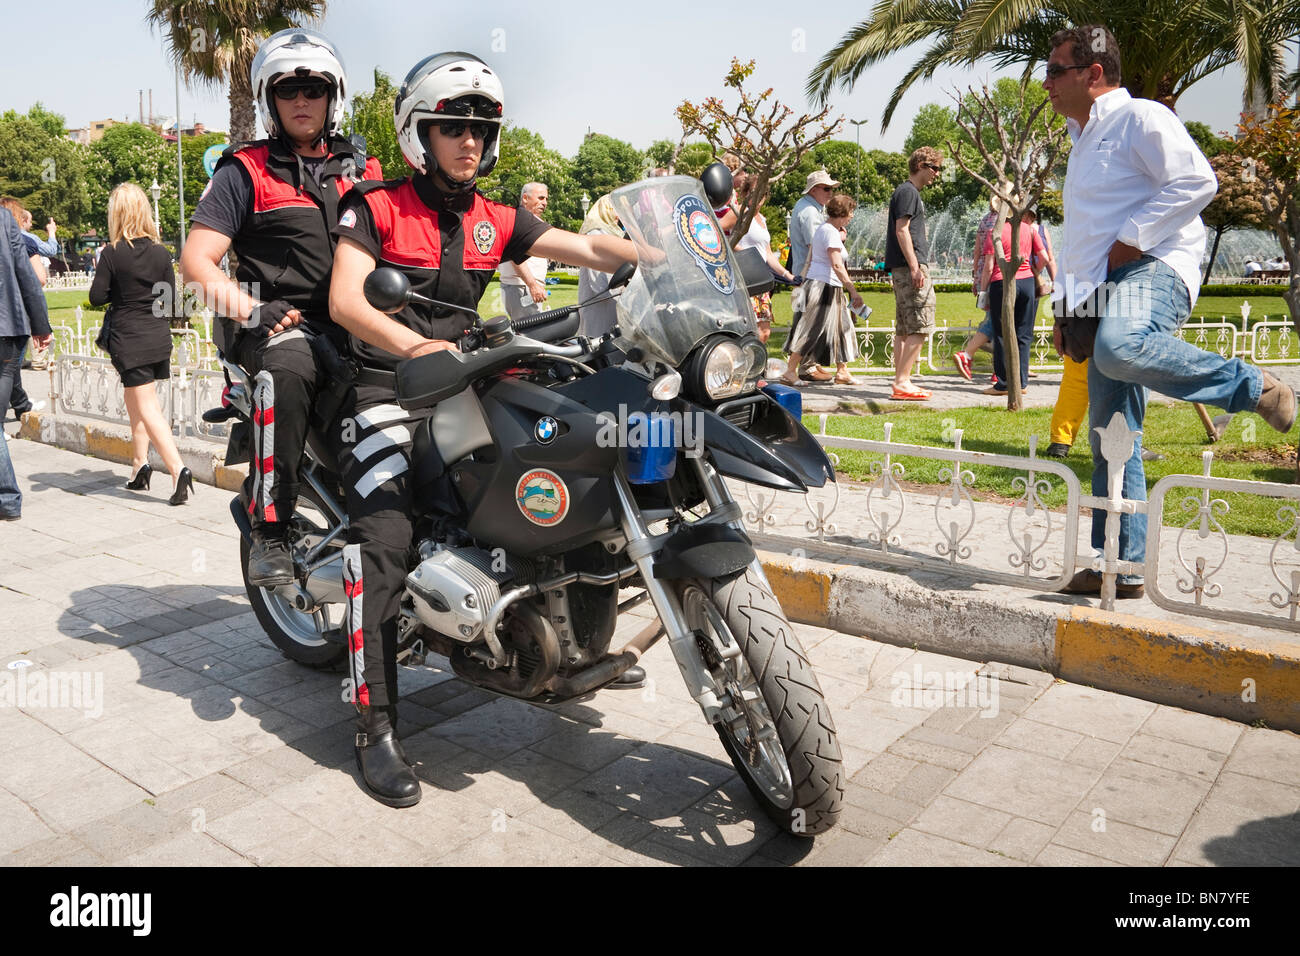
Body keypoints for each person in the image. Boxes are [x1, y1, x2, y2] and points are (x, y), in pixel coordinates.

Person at [328, 51, 639, 808]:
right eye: (451, 126)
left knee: (574, 456)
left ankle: (563, 629)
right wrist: (415, 346)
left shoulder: (494, 217)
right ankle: (374, 726)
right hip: (382, 389)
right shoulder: (374, 206)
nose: (468, 140)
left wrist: (668, 253)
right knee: (386, 543)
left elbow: (589, 247)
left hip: (468, 384)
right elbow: (346, 300)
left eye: (479, 127)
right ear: (417, 133)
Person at [1044, 25, 1297, 599]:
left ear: (1094, 73)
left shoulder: (1143, 118)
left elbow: (1196, 180)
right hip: (1101, 286)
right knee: (1113, 434)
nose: (1047, 82)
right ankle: (1122, 565)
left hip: (1154, 268)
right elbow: (1081, 233)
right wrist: (1065, 308)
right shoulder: (1080, 136)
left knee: (1121, 345)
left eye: (1057, 70)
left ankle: (1254, 386)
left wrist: (1134, 237)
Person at [182, 28, 382, 581]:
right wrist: (251, 308)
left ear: (332, 96)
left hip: (354, 320)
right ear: (269, 99)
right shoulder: (242, 171)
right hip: (275, 325)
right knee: (290, 365)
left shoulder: (363, 169)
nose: (301, 100)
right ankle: (270, 526)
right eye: (288, 90)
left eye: (313, 88)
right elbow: (197, 264)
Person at [89, 184, 191, 504]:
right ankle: (139, 465)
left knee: (146, 405)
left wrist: (115, 288)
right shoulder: (161, 253)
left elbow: (96, 297)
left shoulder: (111, 253)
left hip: (129, 338)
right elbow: (171, 301)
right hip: (157, 337)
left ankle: (177, 469)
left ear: (116, 215)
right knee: (136, 398)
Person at [0, 206, 51, 521]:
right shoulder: (5, 219)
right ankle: (8, 499)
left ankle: (8, 498)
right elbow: (25, 273)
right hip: (9, 330)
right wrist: (41, 324)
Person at [781, 193, 864, 386]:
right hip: (823, 286)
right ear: (842, 213)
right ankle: (790, 371)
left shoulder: (827, 230)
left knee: (841, 327)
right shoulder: (829, 232)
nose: (852, 216)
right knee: (811, 328)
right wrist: (852, 290)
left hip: (827, 285)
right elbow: (837, 265)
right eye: (850, 211)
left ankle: (842, 371)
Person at [886, 147, 943, 400]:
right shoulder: (908, 192)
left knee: (905, 328)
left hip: (903, 268)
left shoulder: (907, 192)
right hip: (910, 267)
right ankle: (902, 381)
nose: (937, 174)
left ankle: (901, 380)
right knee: (920, 323)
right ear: (920, 165)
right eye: (934, 168)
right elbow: (902, 230)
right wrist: (915, 267)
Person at [977, 195, 1046, 397]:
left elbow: (989, 267)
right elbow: (1044, 257)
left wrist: (983, 293)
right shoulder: (1029, 229)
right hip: (1027, 282)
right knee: (1023, 334)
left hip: (1003, 281)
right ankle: (1022, 382)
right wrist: (1034, 270)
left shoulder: (995, 232)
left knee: (1002, 333)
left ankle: (1004, 383)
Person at [732, 172, 800, 345]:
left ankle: (755, 368)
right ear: (745, 192)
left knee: (764, 332)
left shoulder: (761, 219)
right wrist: (750, 257)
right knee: (747, 333)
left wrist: (787, 275)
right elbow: (727, 242)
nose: (758, 198)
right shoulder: (739, 214)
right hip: (744, 280)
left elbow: (768, 253)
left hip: (760, 281)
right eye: (754, 192)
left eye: (762, 194)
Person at [785, 170, 838, 380]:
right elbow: (815, 245)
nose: (830, 193)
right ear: (814, 189)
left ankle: (809, 363)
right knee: (809, 319)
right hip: (810, 275)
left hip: (806, 272)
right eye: (827, 189)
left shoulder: (810, 208)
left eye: (832, 189)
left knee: (809, 318)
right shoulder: (809, 212)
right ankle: (803, 367)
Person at [952, 197, 998, 382]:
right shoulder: (1004, 222)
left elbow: (977, 251)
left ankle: (999, 369)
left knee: (995, 320)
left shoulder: (985, 220)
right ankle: (969, 354)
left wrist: (976, 280)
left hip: (984, 276)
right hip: (997, 276)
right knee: (996, 321)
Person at [498, 182, 550, 320]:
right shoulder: (518, 221)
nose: (544, 203)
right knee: (529, 335)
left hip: (525, 288)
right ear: (525, 198)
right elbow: (516, 257)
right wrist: (532, 285)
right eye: (540, 198)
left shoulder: (530, 221)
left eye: (546, 199)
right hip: (521, 288)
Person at [576, 193, 625, 338]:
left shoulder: (612, 235)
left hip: (612, 304)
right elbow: (599, 283)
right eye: (617, 209)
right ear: (607, 209)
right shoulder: (596, 235)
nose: (620, 216)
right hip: (600, 307)